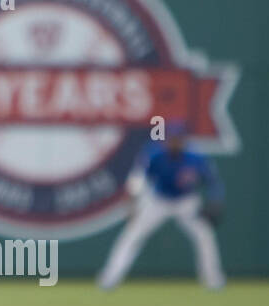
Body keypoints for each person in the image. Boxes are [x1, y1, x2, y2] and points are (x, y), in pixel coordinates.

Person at [97, 122, 227, 290]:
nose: (174, 141)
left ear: (183, 139)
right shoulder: (155, 154)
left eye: (177, 138)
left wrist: (215, 200)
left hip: (186, 201)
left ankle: (213, 279)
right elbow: (138, 179)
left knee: (204, 237)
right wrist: (133, 203)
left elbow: (212, 181)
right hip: (158, 200)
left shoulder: (195, 156)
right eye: (171, 138)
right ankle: (109, 278)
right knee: (132, 235)